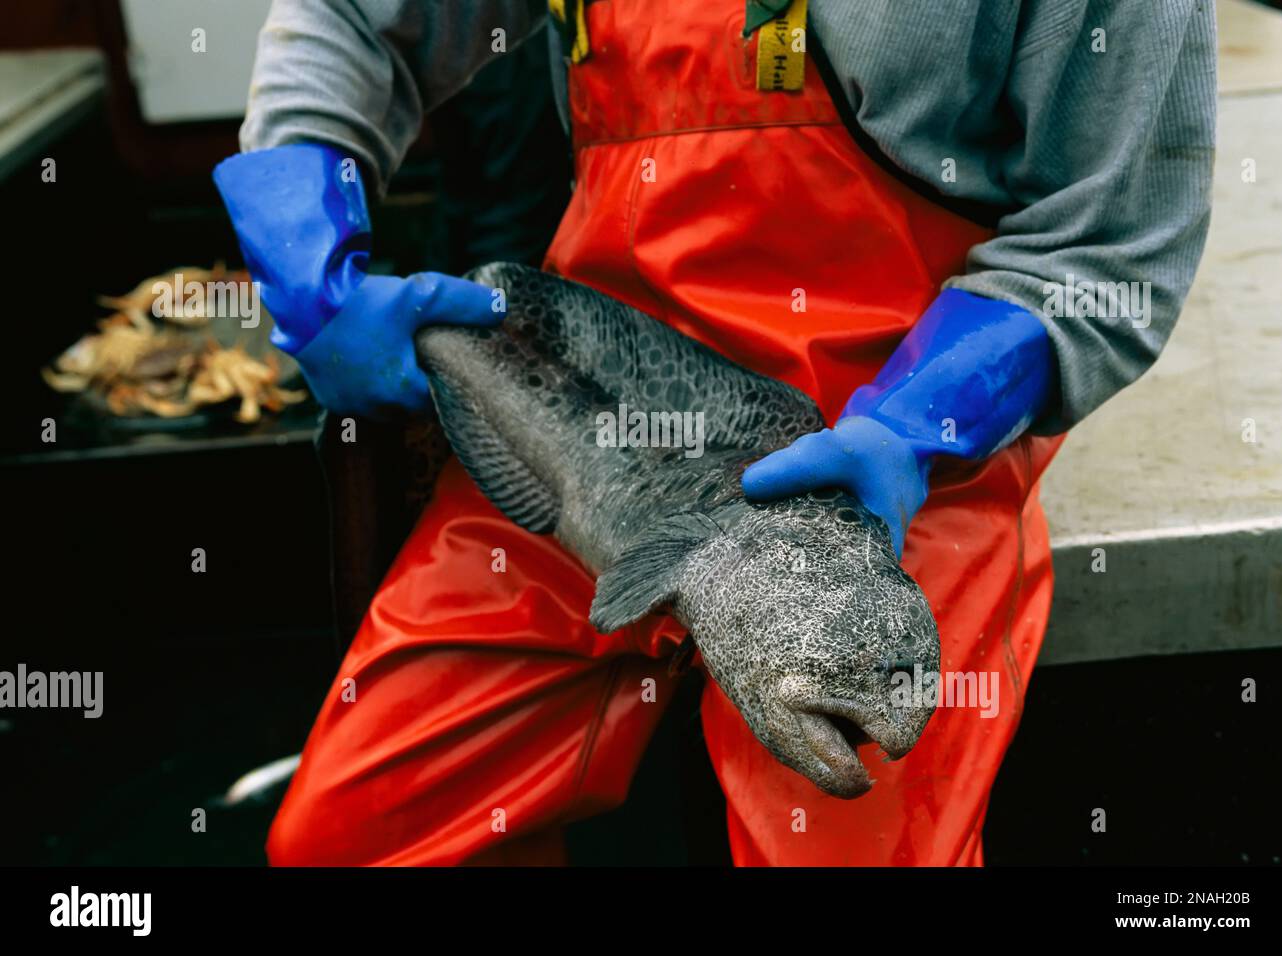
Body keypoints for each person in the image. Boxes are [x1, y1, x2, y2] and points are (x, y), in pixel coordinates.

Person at [213, 0, 1215, 865]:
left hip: (884, 481)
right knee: (360, 836)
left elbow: (1111, 241)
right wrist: (308, 246)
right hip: (589, 419)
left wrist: (920, 422)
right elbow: (356, 17)